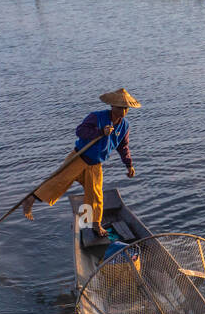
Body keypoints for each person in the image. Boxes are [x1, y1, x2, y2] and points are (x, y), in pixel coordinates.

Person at [22, 88, 140, 239]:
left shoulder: (124, 126)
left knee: (95, 195)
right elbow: (80, 131)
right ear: (112, 106)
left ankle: (96, 224)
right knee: (59, 182)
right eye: (120, 107)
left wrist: (129, 164)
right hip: (79, 157)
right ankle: (31, 199)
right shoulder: (97, 117)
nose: (123, 111)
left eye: (126, 108)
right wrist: (99, 132)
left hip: (96, 164)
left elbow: (123, 146)